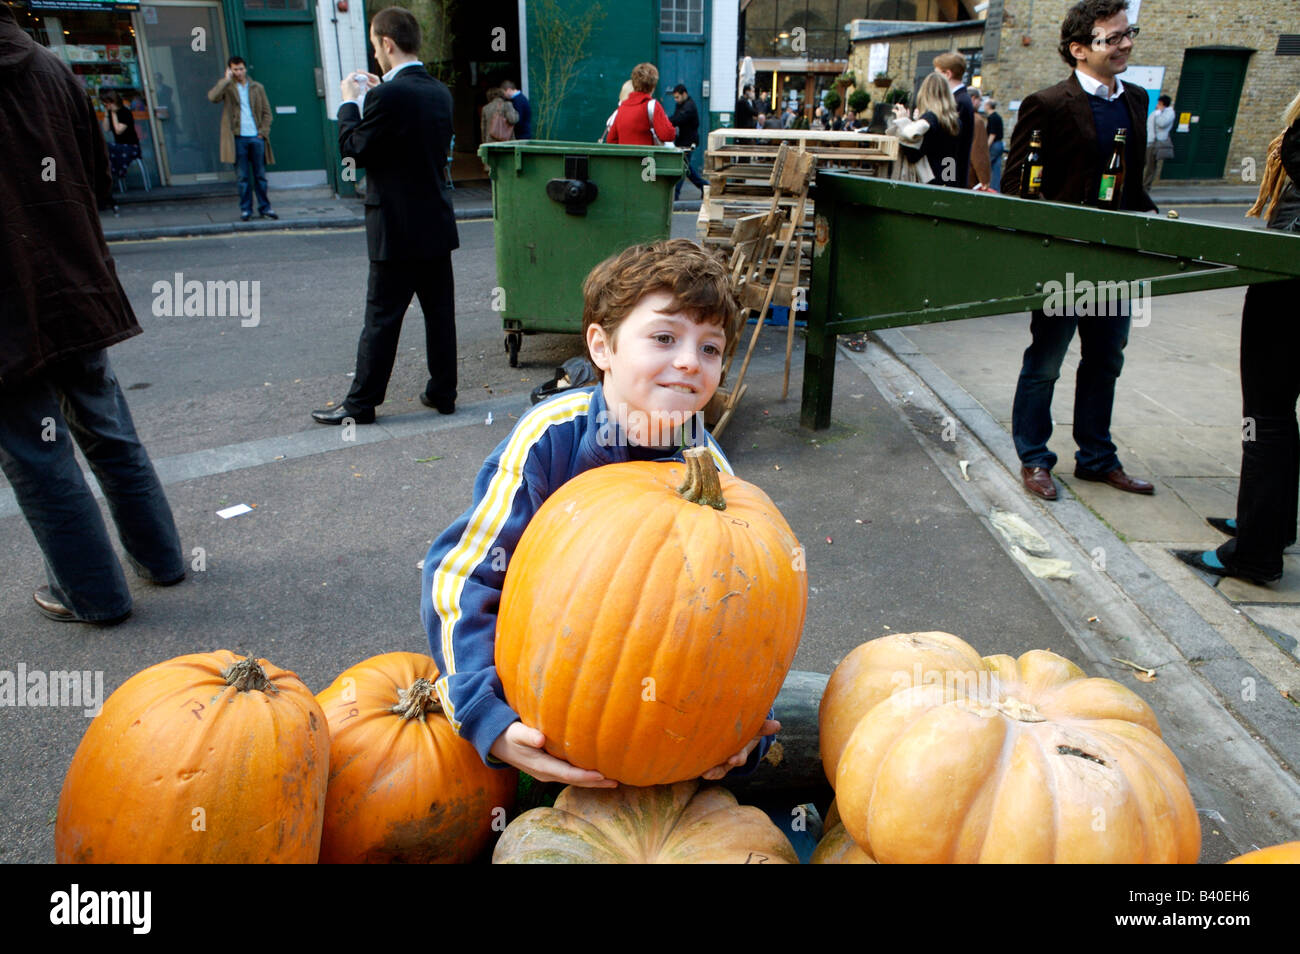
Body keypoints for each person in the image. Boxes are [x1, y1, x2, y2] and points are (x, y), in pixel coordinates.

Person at [420, 238, 777, 784]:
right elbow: (464, 573)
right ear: (602, 347)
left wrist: (737, 729)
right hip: (536, 719)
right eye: (664, 337)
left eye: (710, 348)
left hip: (658, 733)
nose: (689, 361)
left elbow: (738, 624)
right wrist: (480, 709)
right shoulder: (549, 438)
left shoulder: (714, 477)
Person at [0, 1, 185, 624]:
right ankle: (160, 560)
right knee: (107, 430)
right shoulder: (54, 71)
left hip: (7, 308)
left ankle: (94, 596)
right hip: (75, 284)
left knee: (38, 455)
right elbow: (100, 181)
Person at [1002, 0, 1156, 501]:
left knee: (1105, 359)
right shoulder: (1046, 103)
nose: (1125, 44)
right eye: (1112, 38)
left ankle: (1096, 458)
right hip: (1062, 259)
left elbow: (1132, 179)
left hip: (1114, 258)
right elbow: (1018, 183)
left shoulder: (1135, 99)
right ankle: (1034, 457)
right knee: (1046, 360)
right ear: (1078, 49)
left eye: (1127, 33)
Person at [312, 7, 459, 425]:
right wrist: (378, 95)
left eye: (376, 45)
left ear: (387, 43)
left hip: (394, 229)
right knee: (440, 315)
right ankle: (442, 393)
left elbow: (354, 149)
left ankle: (360, 405)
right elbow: (407, 136)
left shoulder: (385, 97)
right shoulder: (439, 92)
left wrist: (350, 102)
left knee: (381, 320)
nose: (375, 54)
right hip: (435, 224)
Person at [1178, 91, 1300, 584]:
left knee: (1266, 421)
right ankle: (1269, 527)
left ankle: (1254, 553)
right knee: (1278, 421)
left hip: (1289, 290)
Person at [206, 56, 276, 222]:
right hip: (237, 138)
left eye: (241, 69)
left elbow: (267, 113)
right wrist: (225, 80)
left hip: (256, 137)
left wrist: (262, 132)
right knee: (243, 177)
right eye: (235, 69)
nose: (239, 72)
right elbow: (212, 97)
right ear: (230, 70)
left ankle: (265, 208)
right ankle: (246, 210)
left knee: (260, 176)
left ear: (246, 69)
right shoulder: (228, 88)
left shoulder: (257, 88)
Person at [887, 73, 962, 187]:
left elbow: (913, 155)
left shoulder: (930, 119)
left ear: (925, 94)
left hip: (930, 180)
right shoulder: (955, 121)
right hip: (949, 175)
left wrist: (903, 123)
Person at [605, 62, 675, 146]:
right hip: (646, 158)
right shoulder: (652, 106)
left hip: (626, 158)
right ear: (653, 86)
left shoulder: (622, 108)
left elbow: (611, 140)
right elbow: (667, 135)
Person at [933, 52, 975, 191]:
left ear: (947, 74)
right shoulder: (959, 98)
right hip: (951, 167)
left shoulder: (959, 100)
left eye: (937, 74)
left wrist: (946, 180)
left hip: (950, 168)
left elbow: (951, 144)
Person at [669, 83, 707, 200]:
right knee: (686, 167)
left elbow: (677, 119)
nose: (676, 100)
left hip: (688, 142)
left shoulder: (689, 107)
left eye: (677, 97)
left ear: (684, 94)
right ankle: (704, 186)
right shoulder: (682, 105)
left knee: (682, 167)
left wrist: (665, 121)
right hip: (683, 141)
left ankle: (676, 194)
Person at [100, 89, 141, 185]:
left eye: (106, 103)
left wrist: (114, 114)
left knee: (109, 148)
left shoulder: (125, 112)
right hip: (119, 146)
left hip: (130, 146)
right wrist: (107, 114)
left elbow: (118, 130)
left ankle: (115, 174)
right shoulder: (110, 114)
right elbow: (106, 128)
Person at [1143, 93, 1174, 189]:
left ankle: (1145, 186)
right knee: (1141, 163)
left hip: (1155, 143)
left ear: (1163, 104)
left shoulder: (1169, 113)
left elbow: (1162, 123)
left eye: (1159, 103)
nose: (1157, 105)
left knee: (1150, 166)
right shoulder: (1157, 112)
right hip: (1148, 141)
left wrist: (1159, 113)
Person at [967, 89, 992, 188]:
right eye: (980, 100)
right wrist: (984, 180)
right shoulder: (977, 120)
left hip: (951, 172)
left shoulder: (954, 116)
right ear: (973, 99)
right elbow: (979, 152)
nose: (981, 103)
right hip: (969, 176)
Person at [985, 97, 1005, 188]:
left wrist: (986, 146)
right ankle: (995, 188)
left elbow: (992, 134)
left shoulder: (992, 118)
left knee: (987, 166)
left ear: (988, 106)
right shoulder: (997, 117)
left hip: (994, 145)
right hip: (1000, 145)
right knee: (996, 168)